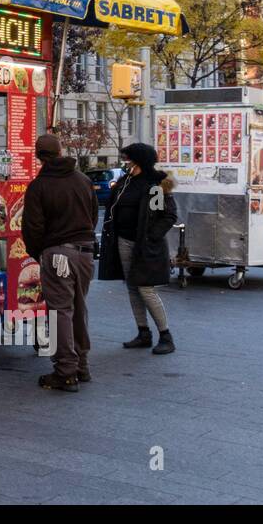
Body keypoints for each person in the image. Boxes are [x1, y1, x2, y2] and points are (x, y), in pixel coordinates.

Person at [22, 133, 99, 393]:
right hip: (85, 252)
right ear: (61, 151)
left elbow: (32, 228)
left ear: (38, 156)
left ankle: (65, 371)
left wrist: (41, 254)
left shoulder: (39, 186)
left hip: (57, 254)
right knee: (79, 308)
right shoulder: (84, 180)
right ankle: (81, 365)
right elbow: (93, 216)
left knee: (60, 312)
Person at [98, 142, 177, 355]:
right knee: (133, 287)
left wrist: (151, 237)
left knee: (145, 288)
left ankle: (165, 335)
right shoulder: (126, 181)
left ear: (139, 160)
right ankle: (143, 332)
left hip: (145, 244)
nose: (126, 163)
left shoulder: (154, 185)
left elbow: (166, 216)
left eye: (129, 159)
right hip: (124, 241)